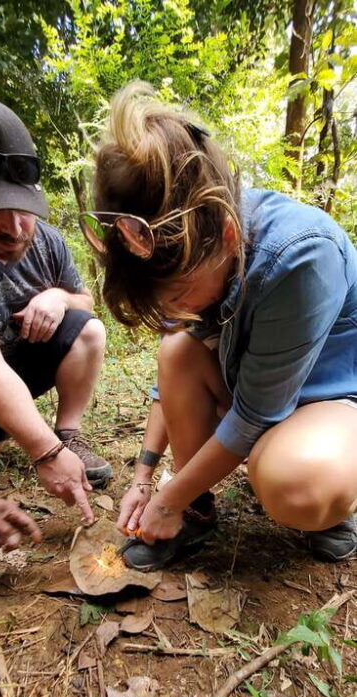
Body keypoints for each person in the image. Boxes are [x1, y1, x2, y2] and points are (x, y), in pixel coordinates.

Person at [79, 81, 357, 570]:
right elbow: (171, 372)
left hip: (332, 396)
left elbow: (256, 413)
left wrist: (164, 501)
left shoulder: (300, 256)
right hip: (261, 391)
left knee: (294, 482)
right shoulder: (181, 247)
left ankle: (335, 497)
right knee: (177, 350)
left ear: (228, 235)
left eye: (182, 294)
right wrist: (146, 475)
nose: (176, 308)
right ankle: (195, 508)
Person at [0, 93, 113, 548]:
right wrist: (44, 452)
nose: (15, 229)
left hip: (13, 373)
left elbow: (86, 302)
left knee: (87, 328)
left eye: (24, 209)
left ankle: (69, 432)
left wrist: (58, 297)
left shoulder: (47, 241)